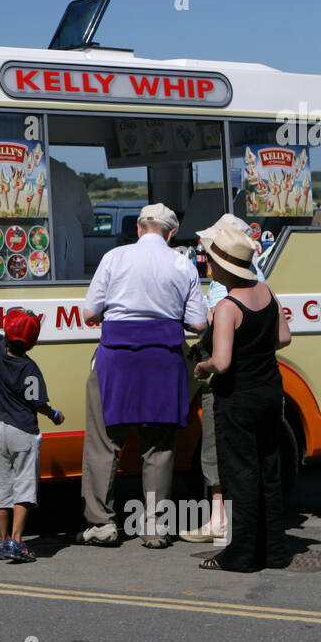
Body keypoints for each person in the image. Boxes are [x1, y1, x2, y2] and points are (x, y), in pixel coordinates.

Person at [78, 203, 207, 548]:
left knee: (105, 442)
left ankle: (102, 523)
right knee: (159, 446)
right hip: (162, 360)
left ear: (138, 228)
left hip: (116, 360)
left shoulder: (114, 257)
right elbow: (198, 324)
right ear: (171, 234)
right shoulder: (182, 263)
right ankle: (155, 527)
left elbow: (90, 312)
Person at [193, 226, 293, 572]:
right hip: (270, 391)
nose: (208, 265)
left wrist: (203, 367)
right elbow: (284, 337)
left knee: (240, 475)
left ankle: (242, 554)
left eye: (210, 261)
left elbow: (222, 362)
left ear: (222, 267)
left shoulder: (227, 306)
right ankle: (275, 550)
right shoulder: (266, 291)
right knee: (269, 469)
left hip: (238, 398)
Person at [0, 280, 64, 564]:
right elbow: (37, 403)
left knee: (0, 485)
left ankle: (3, 541)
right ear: (33, 341)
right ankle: (18, 542)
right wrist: (54, 415)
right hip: (23, 432)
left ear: (7, 332)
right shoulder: (30, 367)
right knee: (24, 487)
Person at [181, 214, 259, 543]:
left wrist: (203, 365)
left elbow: (216, 334)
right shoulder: (258, 283)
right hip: (251, 379)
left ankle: (219, 520)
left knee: (215, 448)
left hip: (221, 379)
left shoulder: (225, 287)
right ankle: (239, 518)